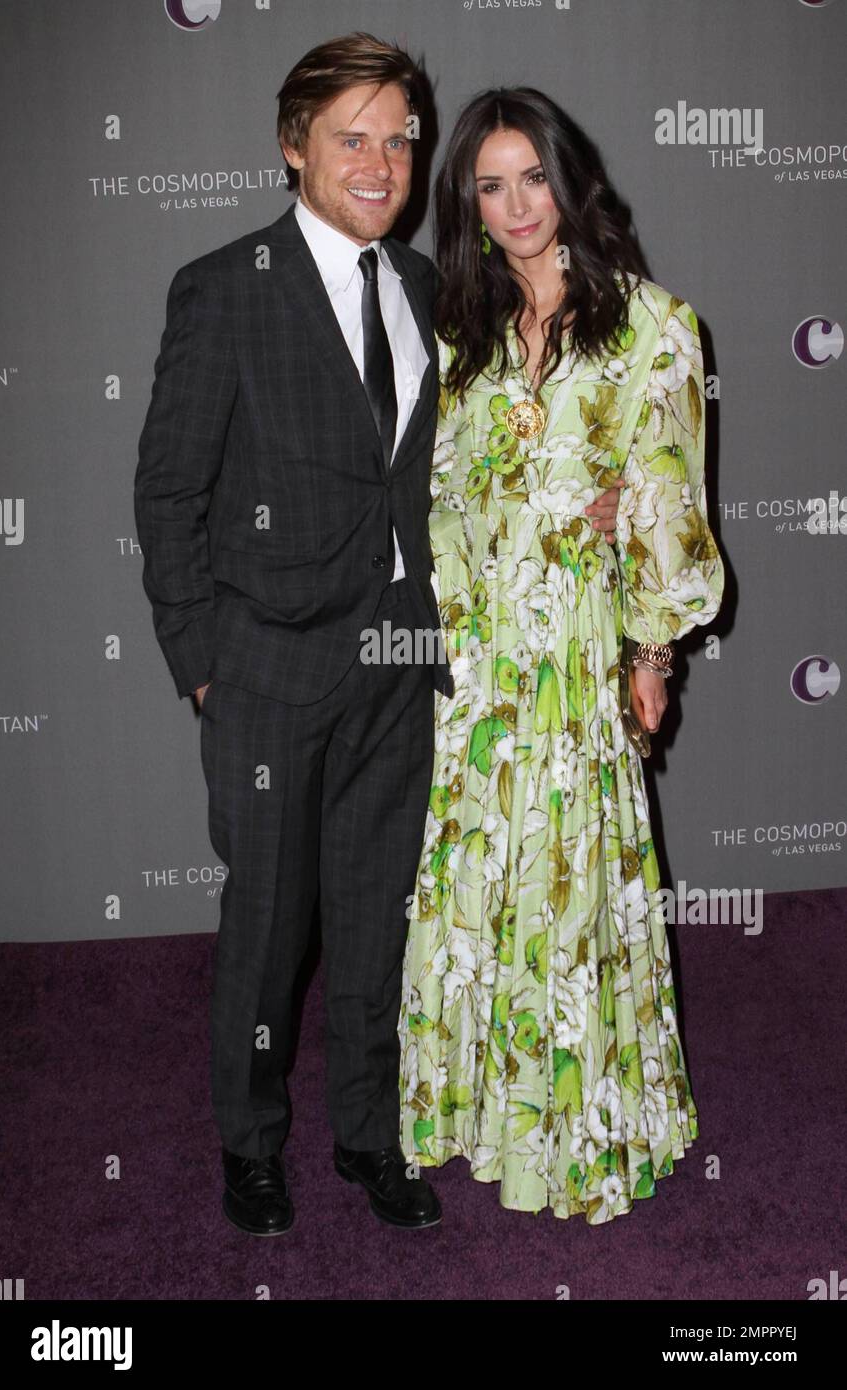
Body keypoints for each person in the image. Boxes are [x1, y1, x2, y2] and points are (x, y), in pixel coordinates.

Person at [134, 35, 623, 1237]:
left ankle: (367, 1130)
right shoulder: (223, 285)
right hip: (265, 664)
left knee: (375, 914)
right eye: (352, 136)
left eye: (400, 138)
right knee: (266, 923)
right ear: (291, 145)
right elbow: (167, 493)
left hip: (403, 664)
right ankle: (251, 1144)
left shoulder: (421, 289)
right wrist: (202, 664)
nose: (381, 160)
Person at [398, 87, 725, 1223]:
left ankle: (577, 1131)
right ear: (468, 203)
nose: (514, 205)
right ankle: (484, 1112)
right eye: (488, 185)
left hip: (577, 648)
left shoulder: (651, 324)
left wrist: (651, 647)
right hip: (480, 651)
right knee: (482, 875)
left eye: (530, 176)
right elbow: (431, 497)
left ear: (565, 178)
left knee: (571, 880)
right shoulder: (459, 335)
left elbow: (670, 496)